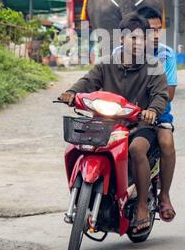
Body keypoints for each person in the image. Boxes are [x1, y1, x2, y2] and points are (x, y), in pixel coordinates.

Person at [60, 14, 168, 235]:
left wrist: (152, 111)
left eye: (141, 38)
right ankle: (86, 197)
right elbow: (88, 81)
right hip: (107, 123)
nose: (137, 43)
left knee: (137, 149)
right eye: (132, 38)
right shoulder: (106, 63)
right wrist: (72, 92)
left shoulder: (154, 66)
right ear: (121, 39)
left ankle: (140, 210)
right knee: (81, 145)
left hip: (139, 125)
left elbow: (160, 95)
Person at [136, 6, 177, 223]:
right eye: (152, 30)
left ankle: (165, 195)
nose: (157, 35)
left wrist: (150, 106)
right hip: (125, 112)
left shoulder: (165, 54)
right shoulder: (118, 54)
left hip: (158, 113)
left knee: (166, 143)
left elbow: (169, 93)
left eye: (159, 30)